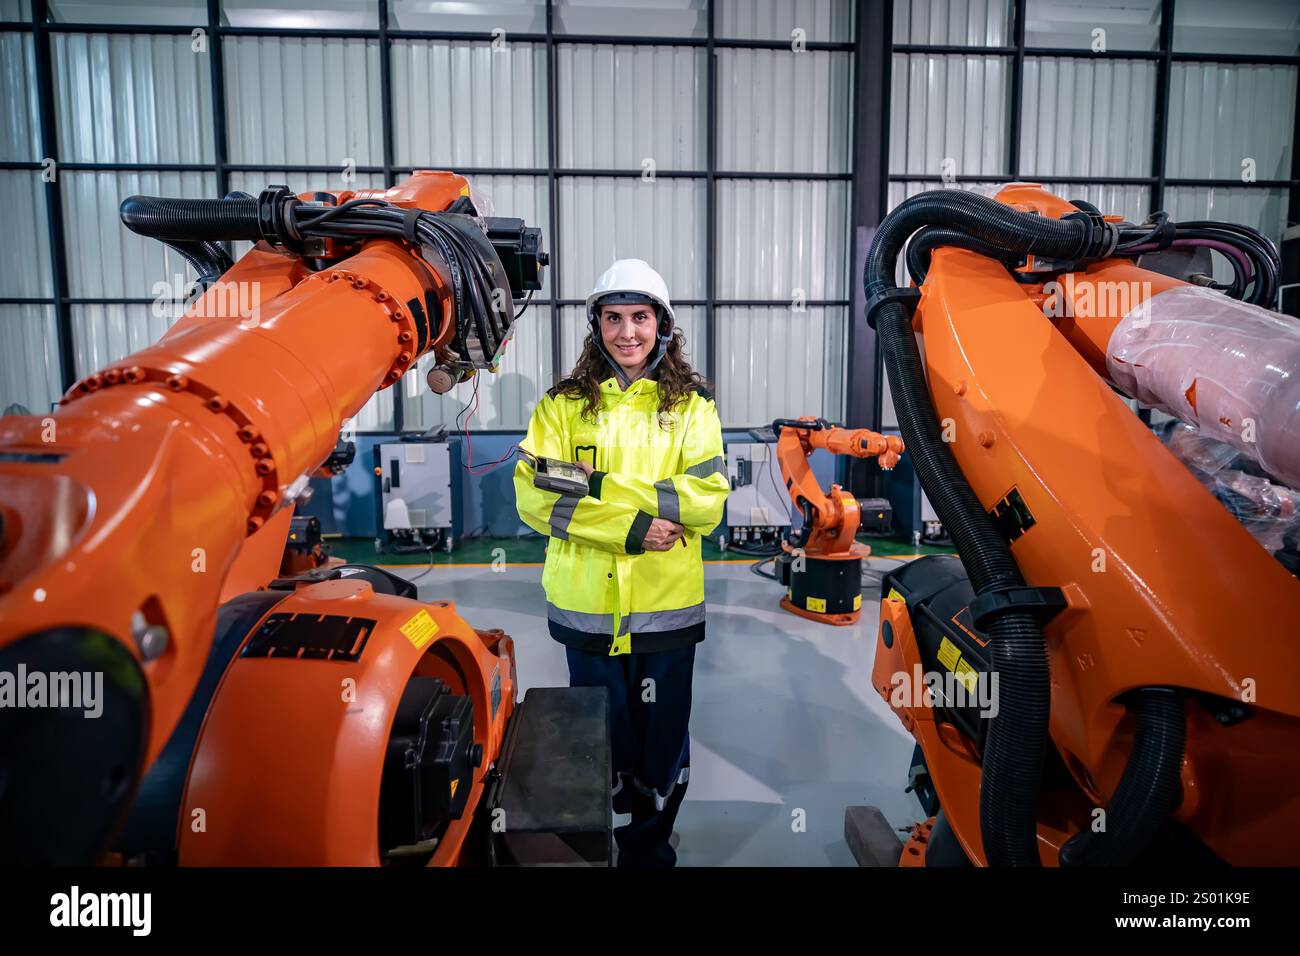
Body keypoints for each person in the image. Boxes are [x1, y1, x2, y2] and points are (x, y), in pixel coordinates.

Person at [513, 258, 729, 866]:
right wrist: (634, 526)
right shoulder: (562, 406)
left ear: (662, 324)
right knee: (599, 741)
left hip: (665, 614)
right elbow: (536, 497)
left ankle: (648, 850)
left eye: (640, 317)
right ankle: (601, 841)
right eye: (613, 318)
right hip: (587, 612)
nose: (627, 332)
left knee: (662, 747)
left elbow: (704, 501)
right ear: (597, 325)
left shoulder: (692, 407)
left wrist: (597, 482)